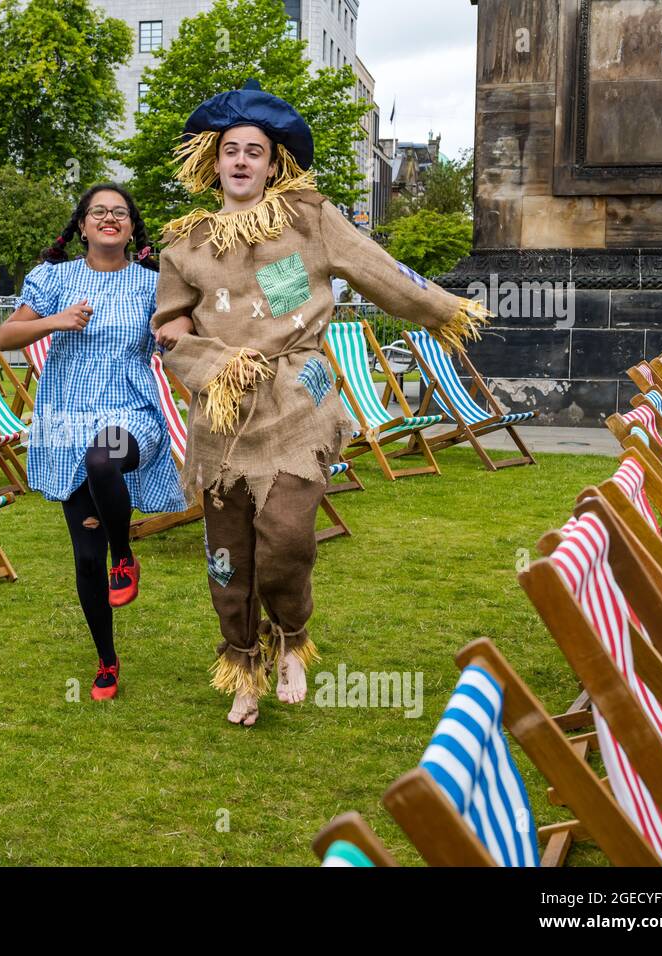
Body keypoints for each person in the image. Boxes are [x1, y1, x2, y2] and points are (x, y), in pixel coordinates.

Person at [152, 81, 490, 726]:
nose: (243, 161)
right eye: (231, 150)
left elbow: (378, 269)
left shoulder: (308, 216)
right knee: (228, 556)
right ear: (213, 161)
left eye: (256, 151)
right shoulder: (184, 244)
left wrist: (447, 310)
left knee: (285, 539)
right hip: (222, 416)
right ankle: (244, 666)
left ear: (274, 163)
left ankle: (290, 635)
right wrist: (216, 364)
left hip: (299, 400)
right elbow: (169, 329)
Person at [0, 184, 187, 701]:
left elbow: (182, 323)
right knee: (85, 557)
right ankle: (107, 659)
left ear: (131, 227)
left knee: (103, 458)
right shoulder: (53, 279)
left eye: (119, 213)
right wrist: (57, 320)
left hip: (132, 412)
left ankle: (124, 555)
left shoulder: (152, 284)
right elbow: (5, 337)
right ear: (81, 226)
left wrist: (176, 334)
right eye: (98, 212)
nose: (109, 218)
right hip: (65, 422)